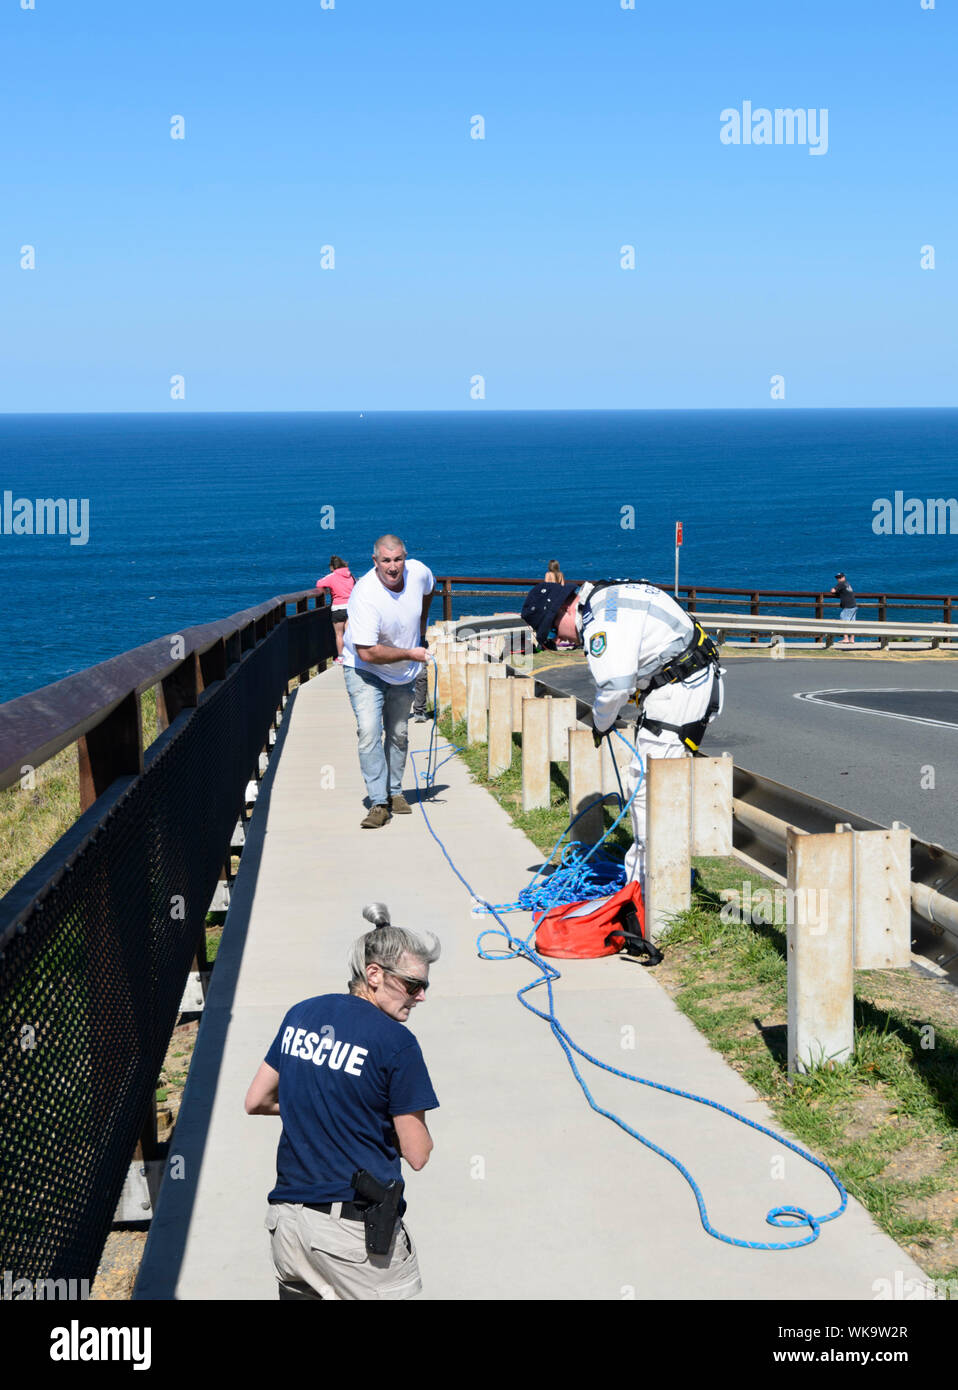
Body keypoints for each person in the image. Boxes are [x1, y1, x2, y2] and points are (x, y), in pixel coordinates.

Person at [246, 903, 440, 1301]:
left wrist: (315, 1108)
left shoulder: (301, 1014)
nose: (420, 997)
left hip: (288, 1226)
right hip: (352, 1238)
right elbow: (417, 1153)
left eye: (424, 987)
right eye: (411, 985)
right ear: (374, 975)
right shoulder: (396, 1044)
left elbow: (256, 1101)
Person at [521, 577, 724, 891]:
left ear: (563, 609)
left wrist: (600, 723)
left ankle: (645, 889)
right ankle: (656, 877)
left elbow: (616, 685)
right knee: (653, 782)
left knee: (648, 789)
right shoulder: (607, 595)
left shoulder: (599, 622)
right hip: (683, 681)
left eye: (552, 632)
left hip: (681, 690)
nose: (560, 643)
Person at [342, 534, 434, 828]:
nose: (393, 567)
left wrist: (421, 625)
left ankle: (395, 792)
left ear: (405, 557)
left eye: (398, 560)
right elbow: (367, 653)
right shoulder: (365, 595)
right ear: (375, 561)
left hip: (402, 672)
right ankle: (378, 802)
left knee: (398, 733)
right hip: (364, 670)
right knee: (370, 731)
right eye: (386, 561)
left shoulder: (418, 572)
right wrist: (410, 651)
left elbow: (430, 589)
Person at [315, 555, 355, 661]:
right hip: (350, 607)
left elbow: (319, 583)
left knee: (339, 634)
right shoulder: (350, 575)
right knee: (349, 633)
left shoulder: (332, 576)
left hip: (338, 608)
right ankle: (352, 655)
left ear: (332, 567)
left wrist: (326, 589)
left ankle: (341, 657)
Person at [829, 572, 858, 645]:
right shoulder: (847, 583)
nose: (838, 579)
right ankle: (852, 639)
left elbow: (833, 591)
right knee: (852, 623)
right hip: (853, 605)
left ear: (843, 577)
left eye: (840, 577)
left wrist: (832, 589)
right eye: (837, 577)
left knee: (843, 620)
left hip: (848, 606)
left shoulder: (841, 584)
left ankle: (845, 638)